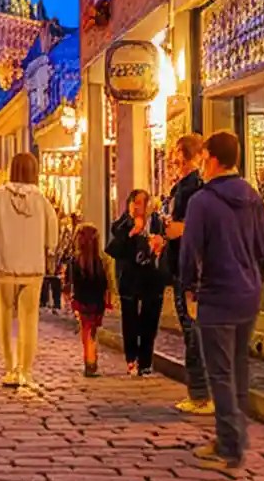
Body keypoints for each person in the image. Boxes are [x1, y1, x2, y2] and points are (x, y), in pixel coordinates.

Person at [181, 130, 264, 469]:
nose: (202, 165)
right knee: (238, 368)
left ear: (215, 160)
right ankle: (230, 435)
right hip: (247, 294)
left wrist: (189, 288)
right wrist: (254, 278)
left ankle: (229, 446)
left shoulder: (201, 202)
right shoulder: (252, 196)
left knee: (220, 372)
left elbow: (190, 251)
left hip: (218, 295)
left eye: (204, 159)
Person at [0, 153, 58, 388]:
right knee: (29, 319)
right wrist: (49, 249)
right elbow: (53, 229)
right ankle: (26, 370)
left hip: (5, 265)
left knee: (5, 316)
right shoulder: (41, 199)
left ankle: (9, 368)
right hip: (33, 266)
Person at [160, 134, 213, 415]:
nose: (174, 160)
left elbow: (191, 226)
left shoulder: (191, 189)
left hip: (188, 266)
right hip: (184, 263)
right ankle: (202, 392)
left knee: (193, 329)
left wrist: (175, 229)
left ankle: (201, 394)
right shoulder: (185, 188)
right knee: (193, 328)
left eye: (179, 154)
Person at [105, 189, 168, 377]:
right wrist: (132, 232)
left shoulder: (157, 222)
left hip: (152, 278)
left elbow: (167, 242)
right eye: (135, 201)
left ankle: (146, 362)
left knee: (149, 321)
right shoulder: (121, 224)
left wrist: (160, 242)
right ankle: (131, 358)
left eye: (142, 202)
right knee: (130, 321)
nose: (139, 206)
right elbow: (114, 249)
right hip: (130, 278)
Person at [64, 223, 117, 377]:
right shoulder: (103, 260)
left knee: (86, 329)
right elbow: (109, 281)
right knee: (91, 330)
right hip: (97, 302)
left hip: (81, 301)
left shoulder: (75, 261)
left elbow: (69, 282)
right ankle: (91, 359)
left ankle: (90, 359)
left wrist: (68, 295)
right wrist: (110, 296)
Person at [40, 207, 71, 313]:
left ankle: (49, 302)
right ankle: (48, 302)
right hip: (50, 253)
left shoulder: (59, 225)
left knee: (52, 278)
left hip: (53, 254)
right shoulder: (53, 223)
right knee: (49, 278)